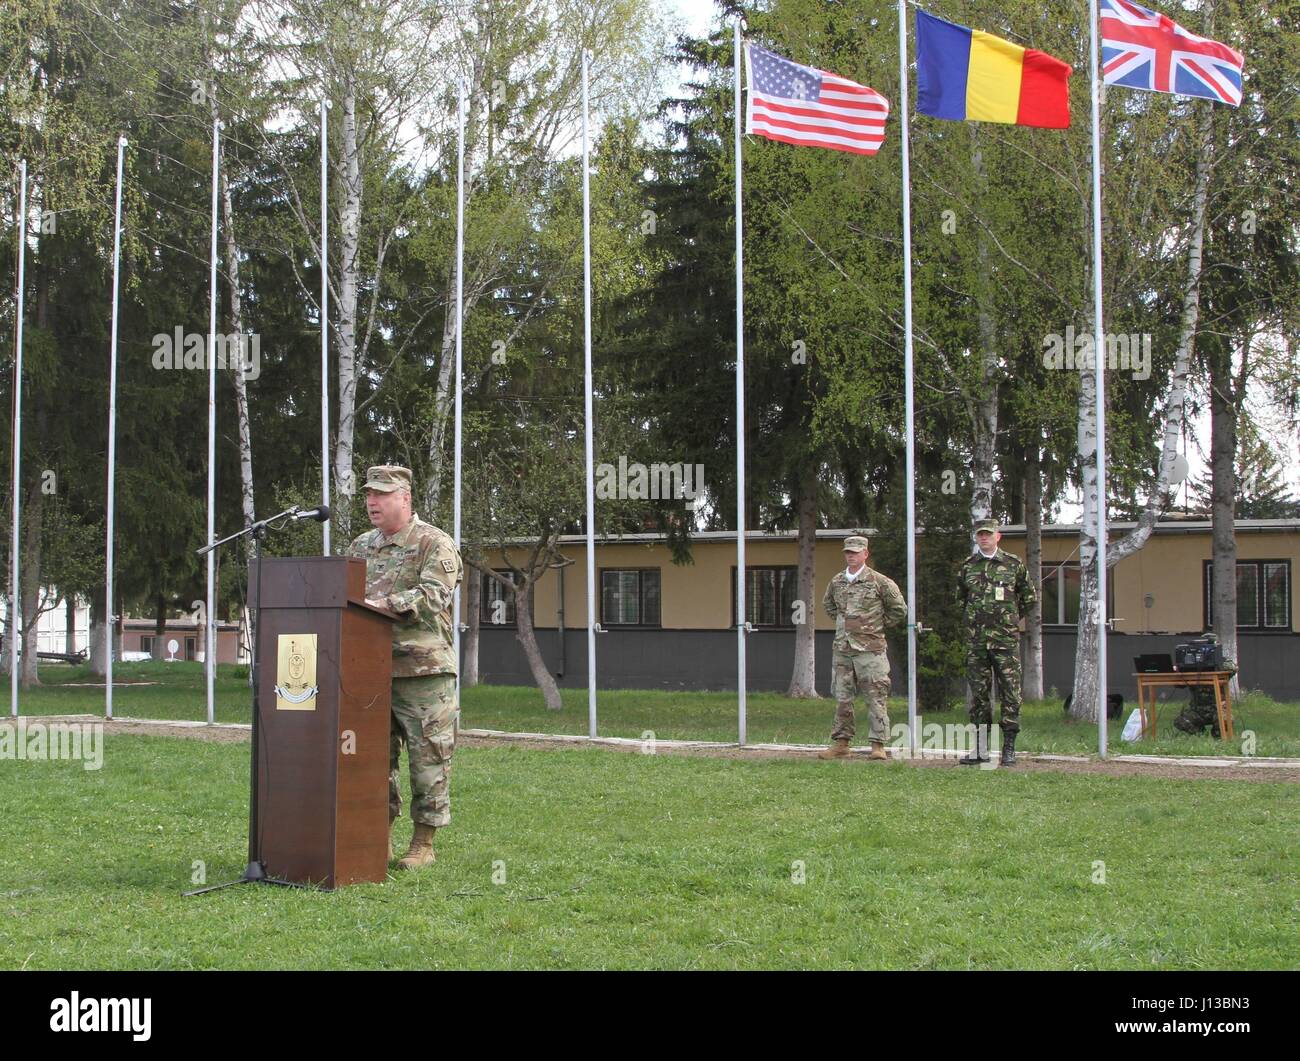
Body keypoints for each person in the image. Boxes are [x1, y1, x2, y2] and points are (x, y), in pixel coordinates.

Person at [346, 465, 462, 869]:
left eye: (381, 494)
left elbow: (434, 595)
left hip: (423, 671)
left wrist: (386, 605)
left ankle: (423, 843)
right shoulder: (361, 546)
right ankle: (379, 836)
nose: (372, 502)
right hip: (368, 669)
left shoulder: (434, 543)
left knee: (428, 755)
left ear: (405, 498)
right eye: (368, 495)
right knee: (374, 758)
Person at [818, 534, 907, 761]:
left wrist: (874, 625)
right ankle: (841, 743)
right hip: (843, 649)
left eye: (856, 552)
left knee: (875, 696)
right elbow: (828, 605)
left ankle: (878, 745)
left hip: (871, 650)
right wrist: (843, 624)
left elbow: (899, 609)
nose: (851, 556)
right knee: (842, 697)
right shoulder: (837, 581)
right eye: (848, 552)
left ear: (865, 554)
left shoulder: (880, 581)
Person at [957, 518, 1035, 766]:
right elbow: (961, 600)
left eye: (988, 534)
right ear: (976, 537)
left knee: (1011, 694)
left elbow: (1029, 597)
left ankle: (1009, 748)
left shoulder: (1013, 564)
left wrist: (1009, 619)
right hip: (977, 643)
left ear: (997, 537)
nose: (984, 538)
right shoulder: (968, 566)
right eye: (980, 534)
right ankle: (981, 750)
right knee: (979, 697)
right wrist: (975, 622)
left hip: (1005, 642)